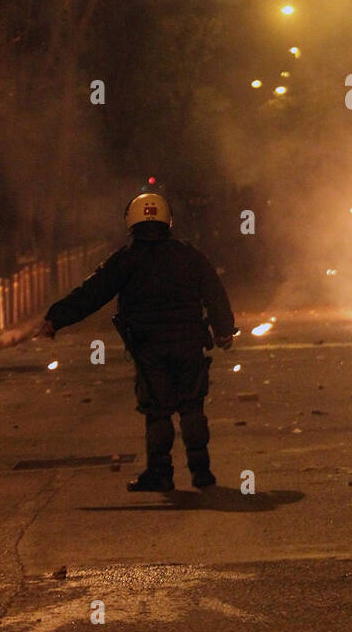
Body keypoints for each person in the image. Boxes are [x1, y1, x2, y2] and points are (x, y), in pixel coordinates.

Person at [38, 190, 236, 492]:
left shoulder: (125, 260)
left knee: (157, 410)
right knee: (192, 407)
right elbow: (215, 294)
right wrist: (223, 331)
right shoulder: (189, 255)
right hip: (189, 343)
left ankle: (160, 473)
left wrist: (56, 318)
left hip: (149, 348)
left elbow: (92, 293)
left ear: (131, 222)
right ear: (168, 221)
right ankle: (202, 472)